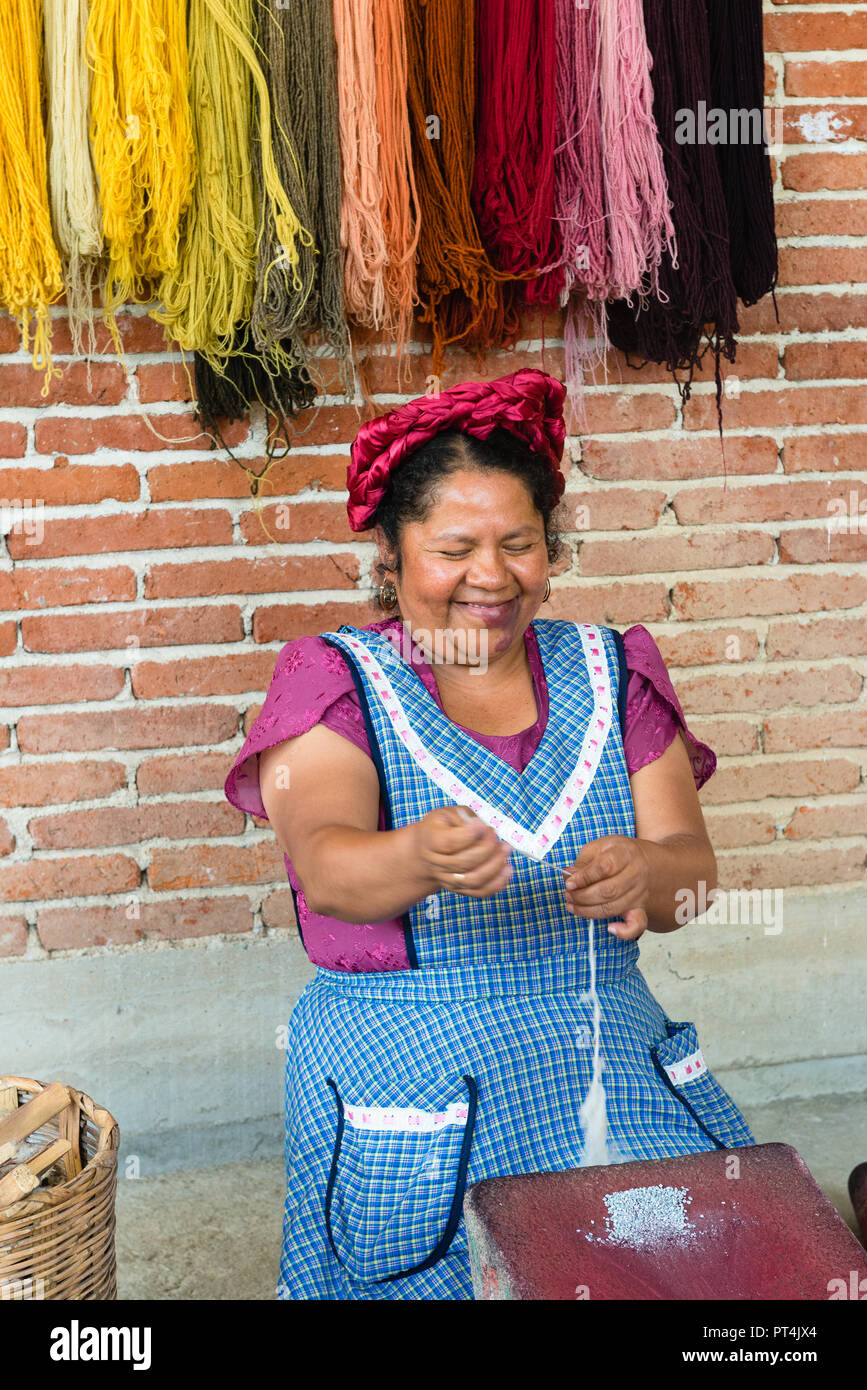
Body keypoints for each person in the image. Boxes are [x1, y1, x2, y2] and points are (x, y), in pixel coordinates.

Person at [224, 367, 754, 1300]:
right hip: (409, 1067)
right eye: (455, 547)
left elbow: (694, 878)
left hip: (599, 1050)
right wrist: (416, 855)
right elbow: (330, 870)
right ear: (391, 555)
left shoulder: (610, 670)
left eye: (520, 544)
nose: (492, 576)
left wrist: (649, 874)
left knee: (708, 1279)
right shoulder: (333, 682)